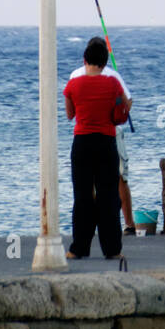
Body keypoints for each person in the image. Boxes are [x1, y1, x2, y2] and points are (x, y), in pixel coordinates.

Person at [63, 37, 131, 258]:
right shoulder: (112, 84)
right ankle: (112, 249)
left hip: (82, 143)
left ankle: (79, 248)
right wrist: (124, 108)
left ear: (85, 60)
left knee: (82, 195)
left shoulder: (73, 85)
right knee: (108, 196)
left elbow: (70, 114)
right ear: (104, 63)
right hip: (105, 142)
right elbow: (119, 116)